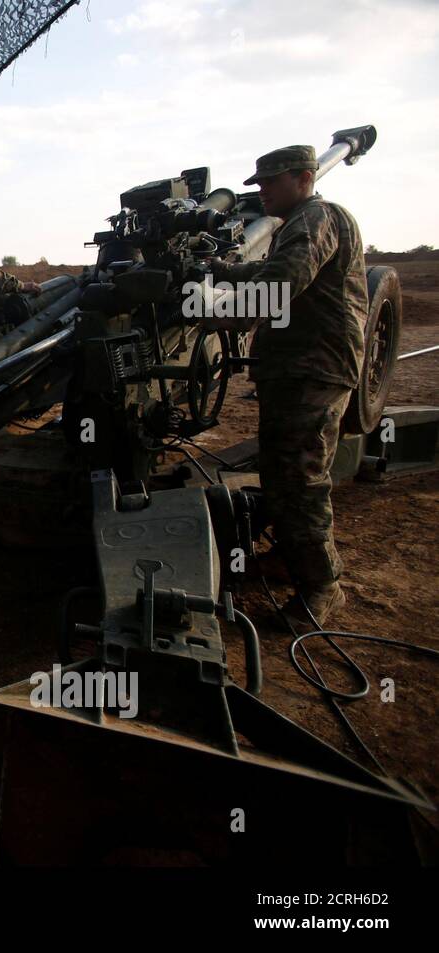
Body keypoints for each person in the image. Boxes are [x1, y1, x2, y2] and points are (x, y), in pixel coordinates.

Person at [204, 145, 366, 628]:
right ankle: (289, 560)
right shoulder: (298, 223)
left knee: (300, 477)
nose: (263, 193)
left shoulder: (317, 219)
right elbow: (269, 272)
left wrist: (208, 311)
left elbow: (276, 289)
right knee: (279, 470)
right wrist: (224, 272)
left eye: (269, 184)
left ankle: (321, 586)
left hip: (314, 369)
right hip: (295, 370)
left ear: (302, 177)